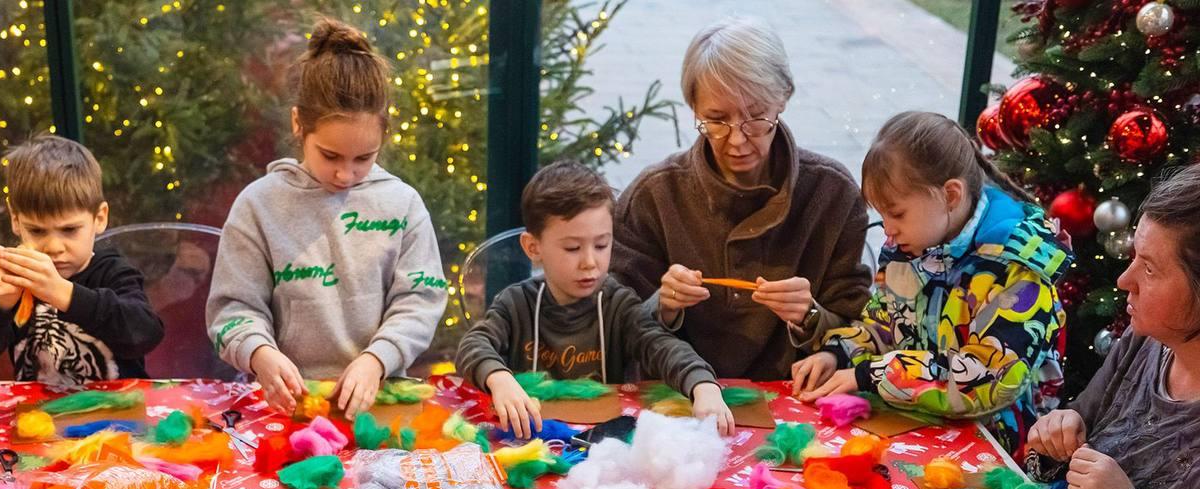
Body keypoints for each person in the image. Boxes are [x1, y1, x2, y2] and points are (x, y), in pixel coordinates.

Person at [207, 18, 446, 416]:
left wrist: (378, 359)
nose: (345, 174)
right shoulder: (258, 205)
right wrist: (260, 352)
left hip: (380, 399)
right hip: (288, 404)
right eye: (330, 156)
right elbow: (232, 309)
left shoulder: (403, 204)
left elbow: (420, 300)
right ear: (298, 124)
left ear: (384, 135)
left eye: (363, 158)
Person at [611, 16, 871, 380]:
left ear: (783, 98)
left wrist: (810, 316)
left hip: (797, 396)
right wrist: (662, 306)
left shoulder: (832, 194)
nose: (736, 140)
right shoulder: (653, 197)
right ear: (693, 107)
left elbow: (864, 333)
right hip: (675, 398)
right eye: (716, 120)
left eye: (756, 117)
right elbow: (612, 330)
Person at [795, 111, 1068, 455]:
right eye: (883, 215)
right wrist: (838, 353)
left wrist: (871, 376)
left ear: (951, 195)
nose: (888, 229)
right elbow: (883, 327)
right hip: (916, 427)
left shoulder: (1017, 271)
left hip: (997, 447)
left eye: (897, 213)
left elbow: (986, 381)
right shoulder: (910, 249)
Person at [1027, 163, 1200, 489]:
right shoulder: (1145, 342)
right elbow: (1078, 425)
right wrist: (1056, 433)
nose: (1124, 280)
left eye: (1150, 269)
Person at [456, 161, 734, 438]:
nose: (590, 262)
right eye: (572, 248)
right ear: (533, 247)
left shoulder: (619, 305)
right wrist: (499, 379)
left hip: (604, 445)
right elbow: (474, 344)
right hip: (532, 440)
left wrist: (703, 385)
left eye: (601, 245)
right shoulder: (516, 304)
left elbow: (663, 347)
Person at [0, 135, 164, 383]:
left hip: (118, 407)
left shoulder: (113, 272)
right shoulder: (18, 277)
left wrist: (63, 293)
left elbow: (146, 334)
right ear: (15, 220)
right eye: (36, 230)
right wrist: (0, 302)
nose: (53, 247)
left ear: (99, 218)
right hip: (36, 408)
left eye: (69, 230)